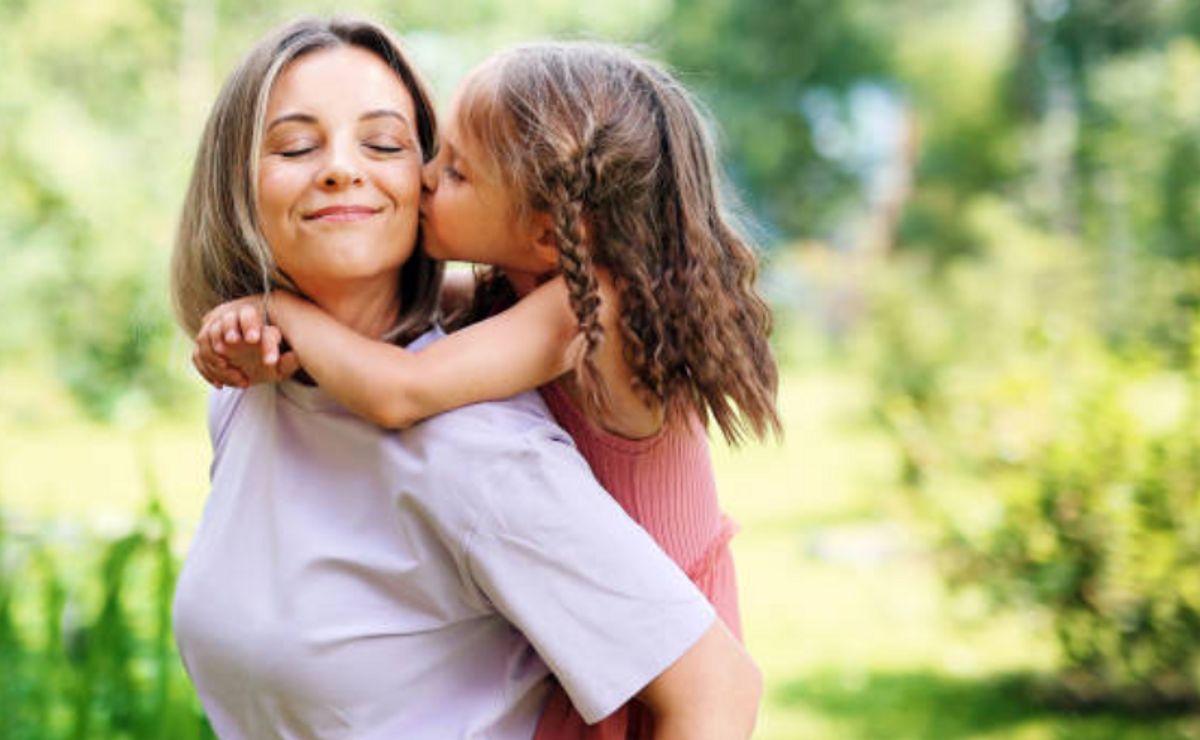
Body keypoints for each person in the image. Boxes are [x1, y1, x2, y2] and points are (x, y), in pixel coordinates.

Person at [169, 17, 761, 740]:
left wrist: (285, 311)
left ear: (547, 228)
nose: (420, 177)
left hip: (645, 654)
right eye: (295, 146)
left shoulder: (569, 331)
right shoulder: (258, 401)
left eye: (444, 167)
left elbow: (401, 389)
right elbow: (422, 322)